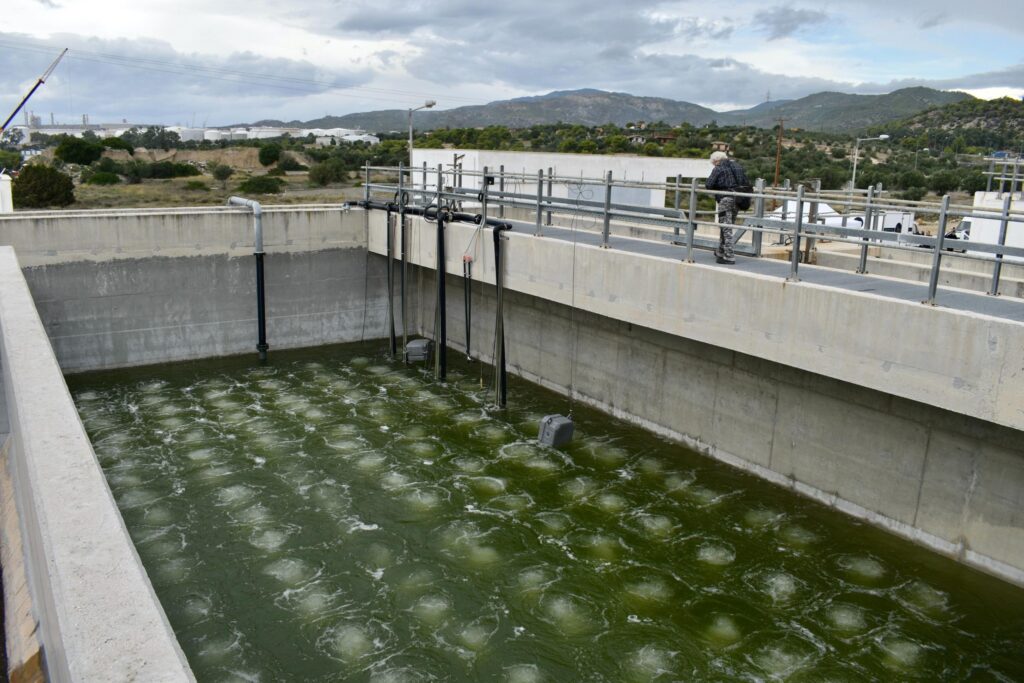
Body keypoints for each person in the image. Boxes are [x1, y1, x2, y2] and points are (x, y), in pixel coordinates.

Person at [704, 151, 750, 264]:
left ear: (716, 161)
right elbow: (746, 183)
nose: (714, 165)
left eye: (714, 163)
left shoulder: (719, 168)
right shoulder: (738, 166)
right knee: (726, 227)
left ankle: (729, 256)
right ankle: (721, 251)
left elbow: (708, 185)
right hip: (738, 199)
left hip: (726, 200)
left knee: (726, 228)